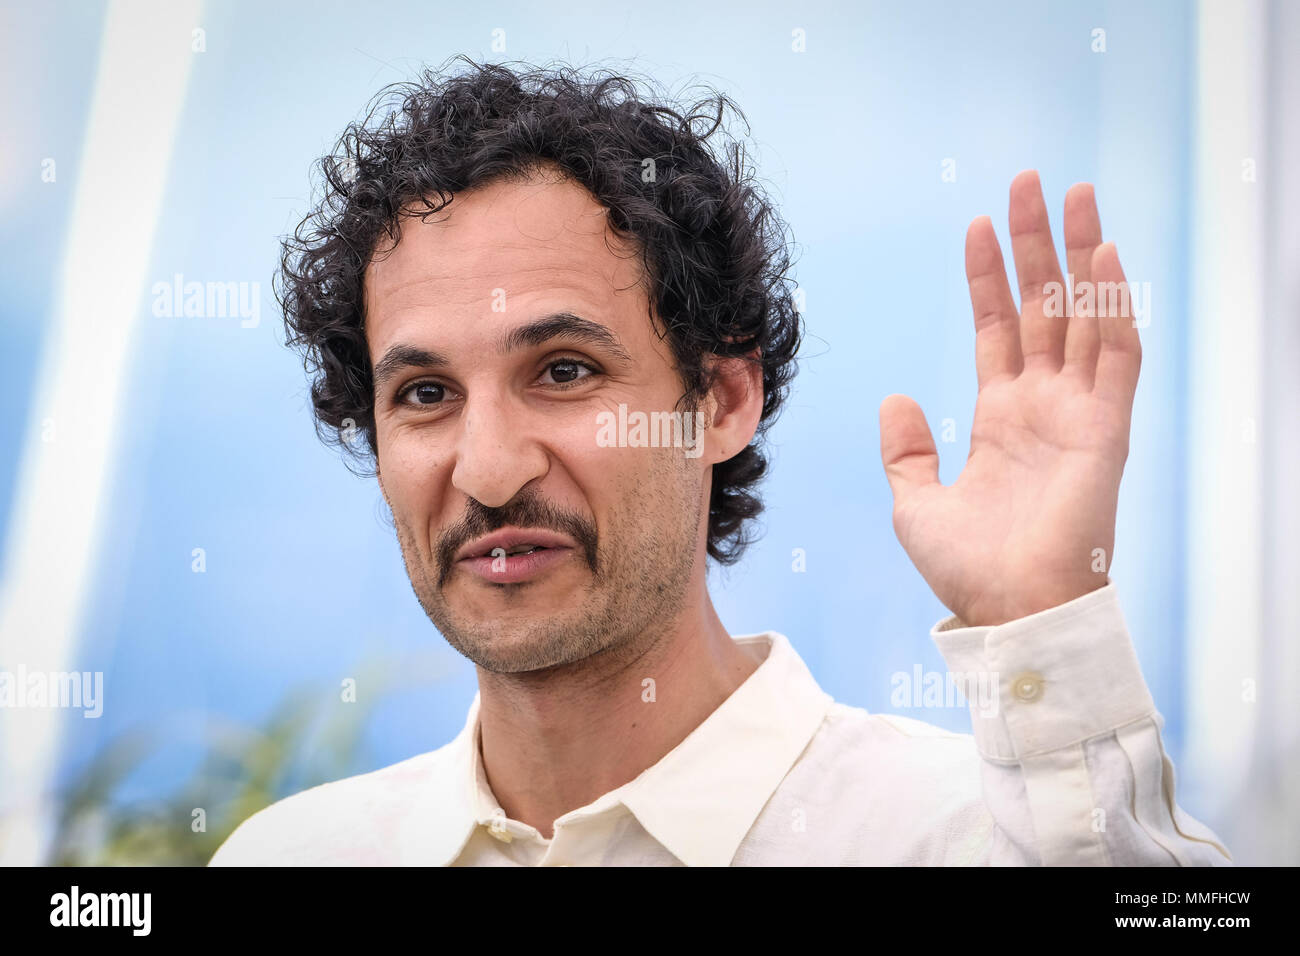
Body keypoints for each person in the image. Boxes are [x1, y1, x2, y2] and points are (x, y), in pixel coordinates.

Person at [210, 57, 1231, 866]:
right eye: (424, 394)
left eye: (563, 371)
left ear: (722, 399)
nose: (487, 469)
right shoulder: (292, 855)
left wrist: (1039, 625)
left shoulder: (964, 838)